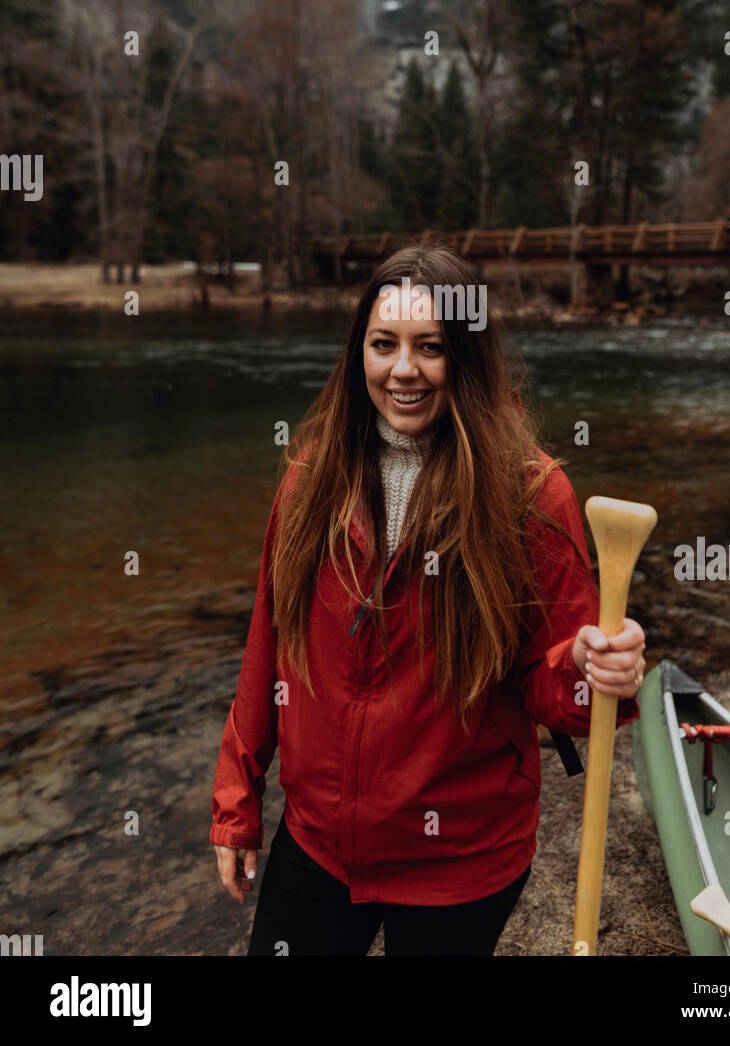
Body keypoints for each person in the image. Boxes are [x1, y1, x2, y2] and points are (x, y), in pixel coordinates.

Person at [209, 244, 646, 956]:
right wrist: (237, 802)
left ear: (467, 357)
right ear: (360, 354)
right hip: (318, 843)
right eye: (384, 344)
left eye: (430, 347)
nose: (402, 369)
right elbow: (271, 646)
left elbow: (556, 690)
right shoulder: (311, 480)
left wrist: (594, 669)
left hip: (462, 861)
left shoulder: (530, 495)